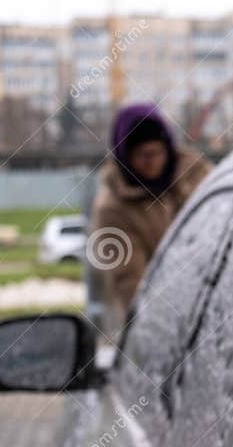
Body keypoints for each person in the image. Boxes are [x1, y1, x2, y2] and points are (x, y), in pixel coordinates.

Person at [90, 103, 212, 321]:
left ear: (168, 148)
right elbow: (129, 282)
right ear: (124, 155)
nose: (151, 161)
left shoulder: (197, 176)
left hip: (217, 303)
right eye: (141, 154)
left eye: (156, 151)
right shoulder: (113, 208)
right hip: (170, 321)